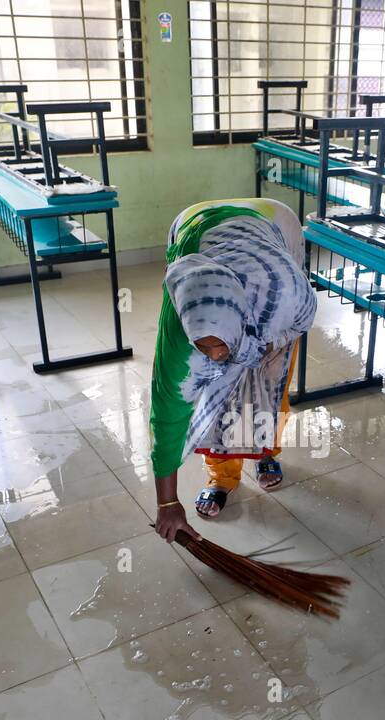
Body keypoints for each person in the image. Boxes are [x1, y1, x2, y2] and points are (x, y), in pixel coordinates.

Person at [149, 198, 316, 543]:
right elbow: (167, 419)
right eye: (204, 347)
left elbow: (304, 317)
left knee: (271, 381)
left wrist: (274, 343)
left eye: (220, 345)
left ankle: (265, 450)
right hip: (194, 224)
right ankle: (222, 476)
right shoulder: (181, 333)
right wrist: (167, 501)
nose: (215, 354)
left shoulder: (286, 292)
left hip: (274, 223)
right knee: (217, 402)